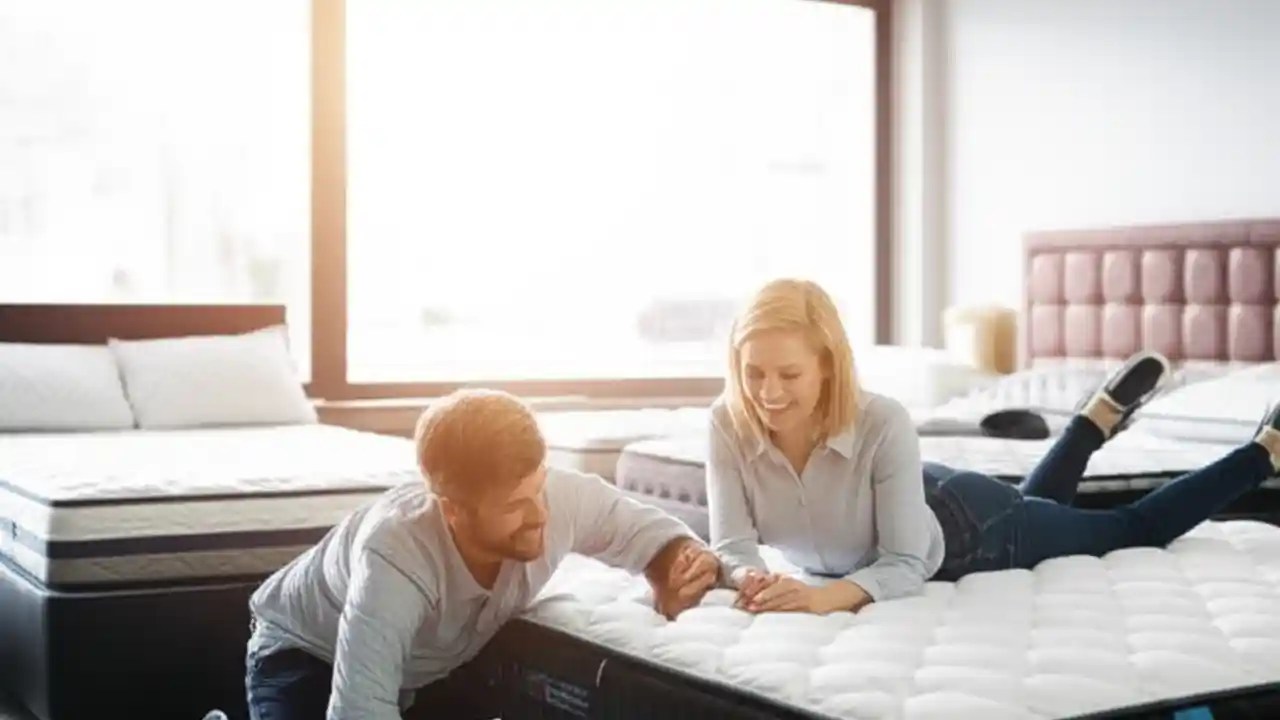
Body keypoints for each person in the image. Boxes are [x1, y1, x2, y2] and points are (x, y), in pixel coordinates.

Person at [708, 278, 1280, 614]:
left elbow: (907, 563)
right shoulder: (726, 425)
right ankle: (1088, 426)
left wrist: (820, 600)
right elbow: (732, 543)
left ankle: (1263, 455)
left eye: (788, 375)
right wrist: (751, 581)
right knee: (1044, 507)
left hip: (968, 530)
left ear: (828, 367)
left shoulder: (881, 420)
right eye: (753, 373)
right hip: (909, 498)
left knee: (1130, 528)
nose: (767, 393)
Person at [245, 389, 719, 719]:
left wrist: (672, 571)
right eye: (514, 506)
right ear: (453, 511)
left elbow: (650, 535)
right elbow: (359, 709)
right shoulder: (394, 554)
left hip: (429, 669)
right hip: (307, 656)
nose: (539, 516)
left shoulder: (560, 498)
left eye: (539, 490)